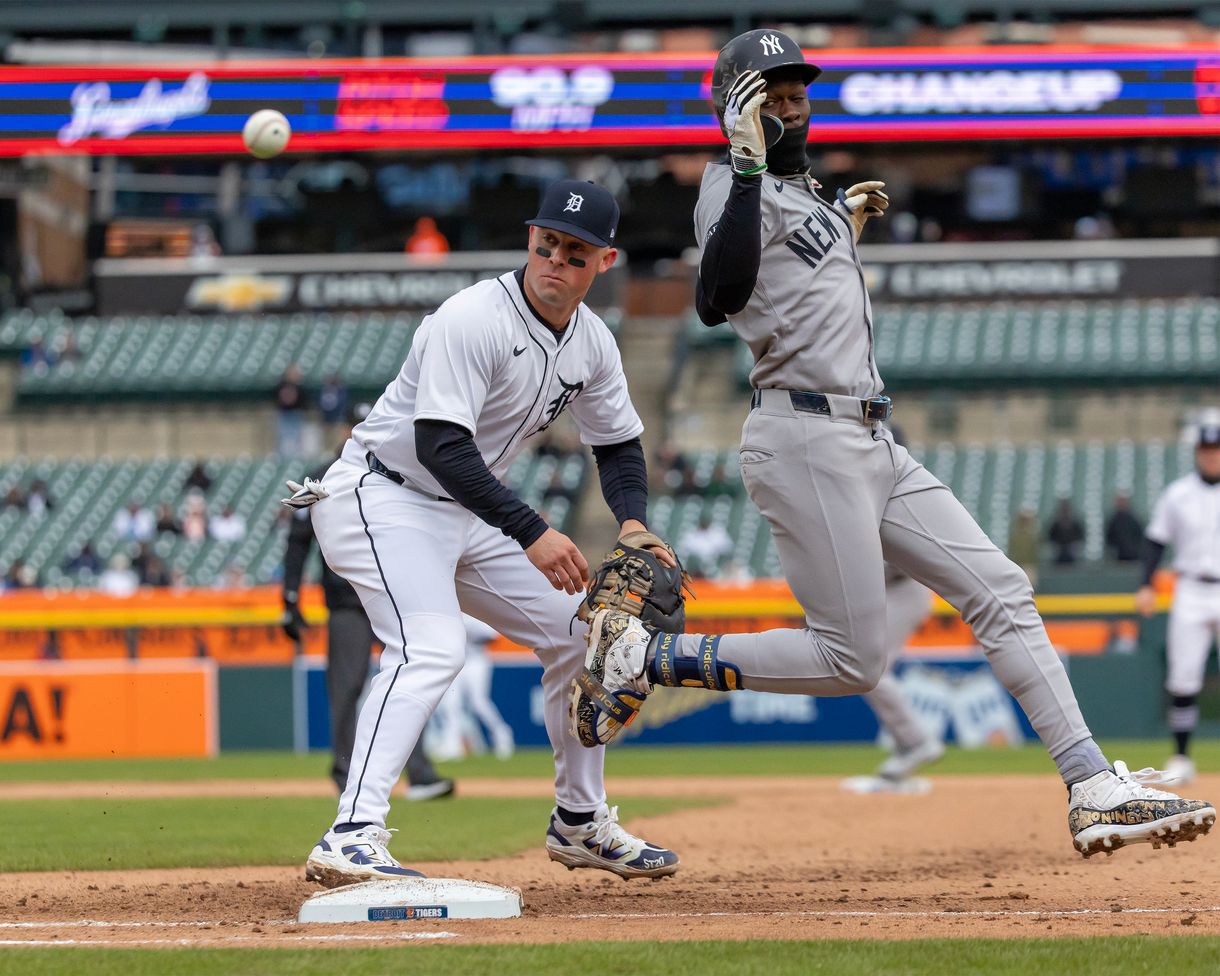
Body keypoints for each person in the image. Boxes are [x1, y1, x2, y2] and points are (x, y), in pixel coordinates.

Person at [575, 30, 1213, 860]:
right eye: (770, 91)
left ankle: (1092, 785)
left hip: (872, 436)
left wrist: (839, 223)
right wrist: (747, 168)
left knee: (1001, 589)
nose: (791, 101)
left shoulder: (804, 195)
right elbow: (717, 294)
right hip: (805, 432)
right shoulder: (731, 183)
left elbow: (801, 289)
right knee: (852, 660)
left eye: (798, 88)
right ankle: (645, 655)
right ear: (735, 106)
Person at [292, 180, 678, 888]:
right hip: (381, 494)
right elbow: (441, 445)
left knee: (583, 634)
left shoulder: (593, 342)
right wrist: (531, 530)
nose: (555, 259)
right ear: (531, 239)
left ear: (606, 261)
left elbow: (618, 444)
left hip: (462, 511)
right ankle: (351, 833)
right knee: (430, 645)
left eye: (575, 252)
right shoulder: (471, 318)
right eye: (547, 243)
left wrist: (632, 521)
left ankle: (580, 819)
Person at [281, 403, 455, 801]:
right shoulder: (323, 476)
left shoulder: (399, 472)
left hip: (395, 593)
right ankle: (346, 775)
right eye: (352, 423)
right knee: (346, 687)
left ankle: (420, 773)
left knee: (410, 678)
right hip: (348, 602)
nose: (356, 429)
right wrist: (289, 597)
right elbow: (298, 540)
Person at [1135, 424, 1220, 786]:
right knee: (1183, 676)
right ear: (1198, 453)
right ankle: (1182, 757)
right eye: (1206, 450)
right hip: (1190, 588)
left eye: (1216, 450)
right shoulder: (1178, 493)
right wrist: (1146, 584)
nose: (1212, 456)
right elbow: (1155, 541)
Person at [431, 615, 516, 762]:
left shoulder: (472, 613)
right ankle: (453, 745)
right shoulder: (449, 613)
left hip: (476, 660)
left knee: (479, 703)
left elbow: (492, 636)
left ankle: (502, 734)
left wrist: (469, 633)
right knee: (450, 704)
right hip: (455, 661)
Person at [275, 364, 308, 458]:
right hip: (284, 414)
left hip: (296, 414)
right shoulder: (281, 385)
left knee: (297, 439)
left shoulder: (299, 387)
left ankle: (296, 457)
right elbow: (278, 399)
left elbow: (303, 401)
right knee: (284, 439)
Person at [1105, 493, 1144, 564]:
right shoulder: (1114, 519)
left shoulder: (1133, 518)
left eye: (1123, 501)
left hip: (1134, 556)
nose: (1121, 503)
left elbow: (1139, 535)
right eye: (1119, 501)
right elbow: (1110, 537)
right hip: (1119, 557)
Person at [1047, 498, 1086, 565]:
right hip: (1058, 554)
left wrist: (1074, 545)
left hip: (1073, 554)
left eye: (1066, 510)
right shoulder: (1055, 525)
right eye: (1063, 510)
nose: (1065, 512)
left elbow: (1080, 538)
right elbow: (1050, 538)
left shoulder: (1076, 525)